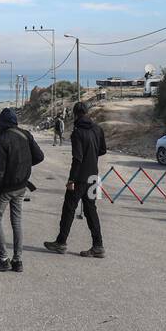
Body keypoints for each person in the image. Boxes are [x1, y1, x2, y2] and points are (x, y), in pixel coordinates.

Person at [44, 101, 107, 258]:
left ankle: (61, 242)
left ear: (75, 114)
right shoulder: (98, 129)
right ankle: (98, 246)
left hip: (79, 178)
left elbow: (77, 158)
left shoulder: (77, 132)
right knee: (91, 210)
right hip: (95, 176)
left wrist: (71, 179)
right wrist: (91, 156)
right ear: (87, 112)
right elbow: (103, 150)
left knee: (69, 209)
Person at [0, 107, 44, 272]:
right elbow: (39, 156)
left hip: (6, 189)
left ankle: (3, 259)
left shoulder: (2, 139)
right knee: (16, 221)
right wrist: (22, 166)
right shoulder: (25, 134)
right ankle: (17, 261)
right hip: (21, 187)